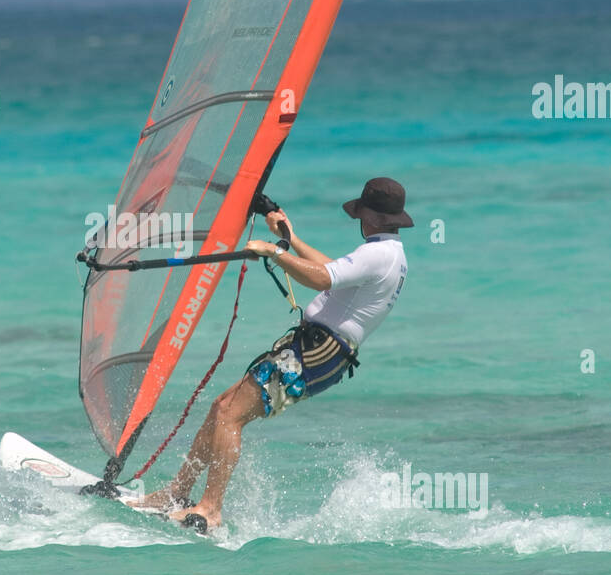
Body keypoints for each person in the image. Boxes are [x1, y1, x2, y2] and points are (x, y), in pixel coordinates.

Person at [130, 177, 413, 529]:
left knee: (231, 416)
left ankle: (210, 509)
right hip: (317, 350)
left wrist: (274, 252)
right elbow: (333, 271)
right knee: (221, 407)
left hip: (317, 352)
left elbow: (323, 279)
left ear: (368, 216)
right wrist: (290, 240)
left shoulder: (377, 254)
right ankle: (177, 491)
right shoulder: (388, 253)